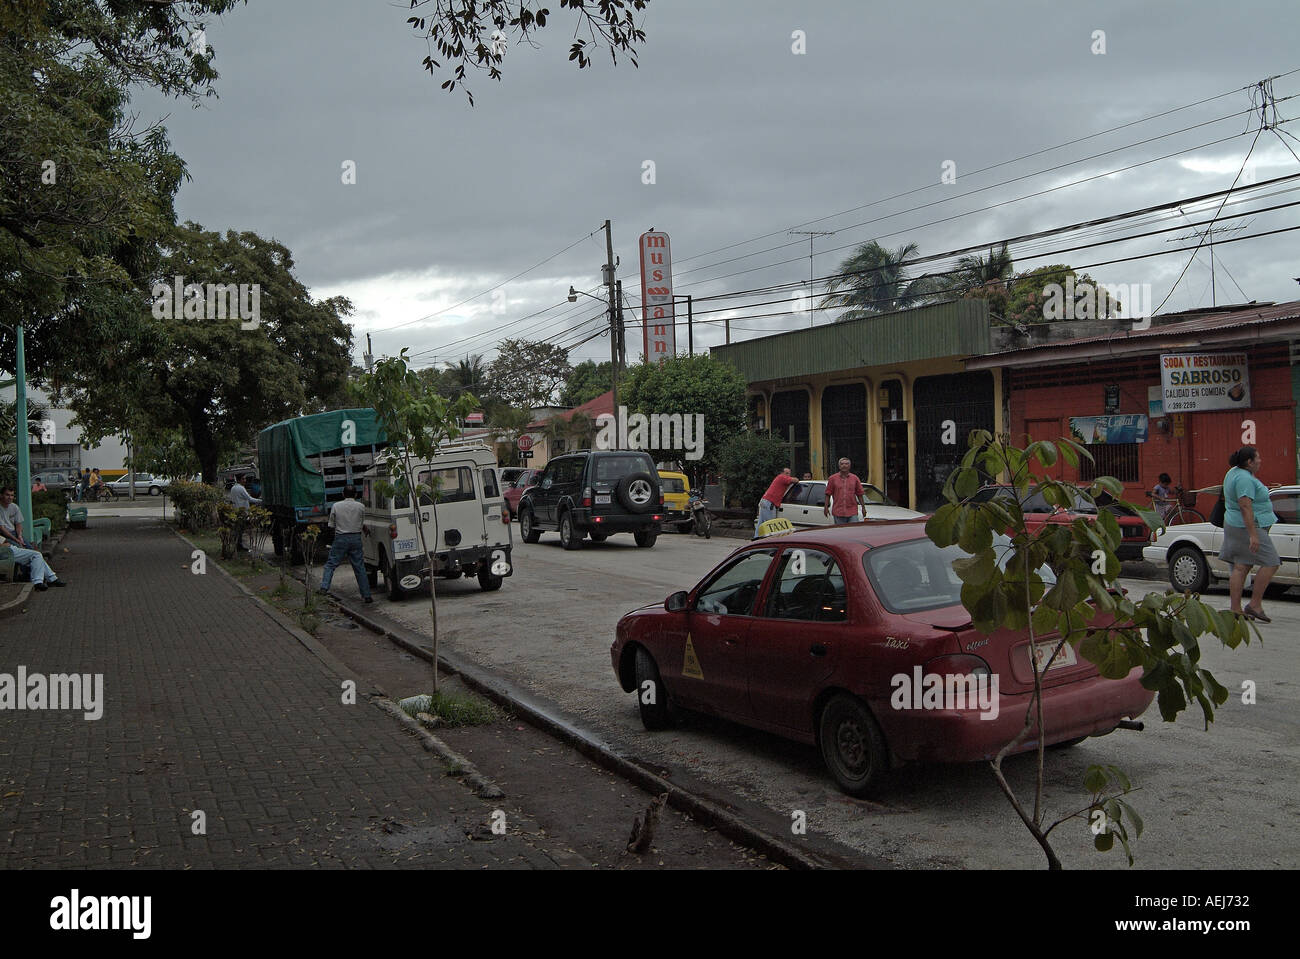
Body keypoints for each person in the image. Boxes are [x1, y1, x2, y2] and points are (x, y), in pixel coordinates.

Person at [1221, 446, 1280, 623]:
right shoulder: (1244, 478)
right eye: (1258, 458)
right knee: (1272, 562)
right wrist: (1253, 535)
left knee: (1242, 566)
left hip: (1235, 524)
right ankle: (1254, 604)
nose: (1260, 461)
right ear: (1249, 462)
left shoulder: (1235, 472)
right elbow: (1245, 506)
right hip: (1245, 527)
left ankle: (1236, 609)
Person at [0, 486, 67, 591]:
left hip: (14, 533)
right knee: (31, 553)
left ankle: (48, 578)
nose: (10, 497)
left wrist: (20, 536)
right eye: (7, 495)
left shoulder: (14, 507)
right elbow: (2, 529)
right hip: (5, 536)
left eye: (12, 495)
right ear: (1, 495)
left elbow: (18, 524)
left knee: (33, 551)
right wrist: (16, 540)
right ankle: (46, 579)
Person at [318, 485, 373, 604]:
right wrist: (364, 530)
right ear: (356, 495)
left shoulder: (336, 506)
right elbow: (361, 521)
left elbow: (331, 525)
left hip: (341, 538)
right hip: (356, 538)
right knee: (359, 567)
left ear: (343, 494)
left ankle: (324, 588)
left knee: (331, 565)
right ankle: (367, 595)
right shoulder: (361, 506)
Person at [824, 457, 866, 525]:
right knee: (841, 532)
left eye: (846, 464)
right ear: (839, 466)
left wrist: (863, 508)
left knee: (853, 531)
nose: (844, 465)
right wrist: (825, 507)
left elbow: (859, 494)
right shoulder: (832, 479)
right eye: (842, 464)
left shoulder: (855, 478)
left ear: (849, 466)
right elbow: (827, 494)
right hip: (838, 511)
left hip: (852, 511)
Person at [756, 467, 797, 532]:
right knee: (770, 525)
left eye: (789, 474)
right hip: (769, 503)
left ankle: (757, 539)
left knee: (761, 524)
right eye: (786, 473)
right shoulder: (781, 477)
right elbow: (795, 480)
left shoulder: (782, 479)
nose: (788, 475)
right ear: (782, 473)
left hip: (765, 501)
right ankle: (769, 541)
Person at [227, 476, 261, 552]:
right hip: (242, 512)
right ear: (239, 480)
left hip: (236, 511)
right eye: (243, 479)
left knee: (238, 529)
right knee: (240, 530)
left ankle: (238, 545)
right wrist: (260, 501)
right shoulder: (241, 488)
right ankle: (239, 546)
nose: (245, 480)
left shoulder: (233, 488)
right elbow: (249, 499)